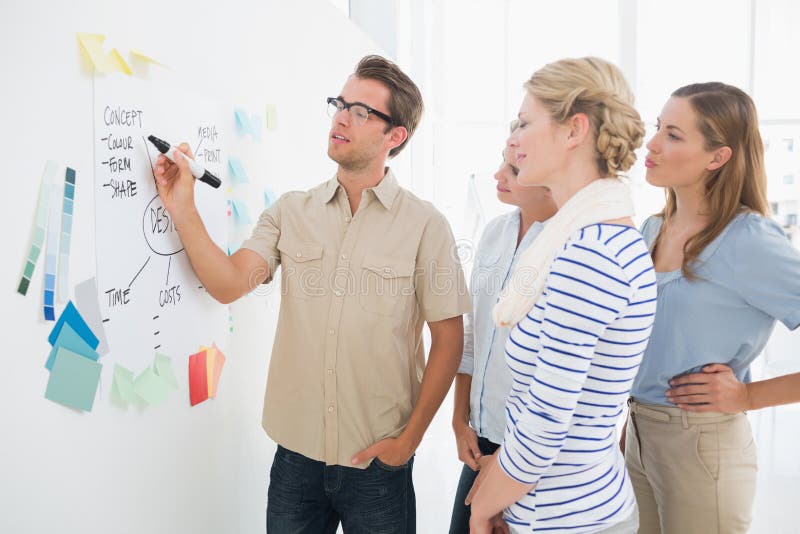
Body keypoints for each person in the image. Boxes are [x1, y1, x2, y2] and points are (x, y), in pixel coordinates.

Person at [153, 55, 471, 533]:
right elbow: (227, 283)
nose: (341, 117)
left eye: (362, 111)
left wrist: (408, 442)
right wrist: (182, 206)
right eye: (340, 104)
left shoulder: (427, 226)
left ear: (395, 136)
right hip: (295, 464)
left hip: (378, 468)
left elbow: (449, 340)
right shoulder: (290, 212)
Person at [465, 57, 655, 534]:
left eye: (526, 123)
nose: (514, 139)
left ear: (574, 130)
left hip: (568, 518)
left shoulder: (589, 255)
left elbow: (547, 419)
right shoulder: (594, 239)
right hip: (564, 507)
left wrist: (484, 506)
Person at [622, 82, 800, 534]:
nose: (653, 143)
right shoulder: (650, 229)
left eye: (674, 135)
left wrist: (750, 396)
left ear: (717, 157)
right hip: (636, 437)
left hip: (703, 446)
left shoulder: (749, 239)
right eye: (658, 127)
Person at [448, 125, 557, 533]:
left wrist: (512, 459)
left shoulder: (570, 247)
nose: (498, 175)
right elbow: (474, 334)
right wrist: (460, 421)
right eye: (503, 162)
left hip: (532, 456)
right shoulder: (495, 233)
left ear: (550, 182)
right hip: (483, 441)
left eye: (513, 169)